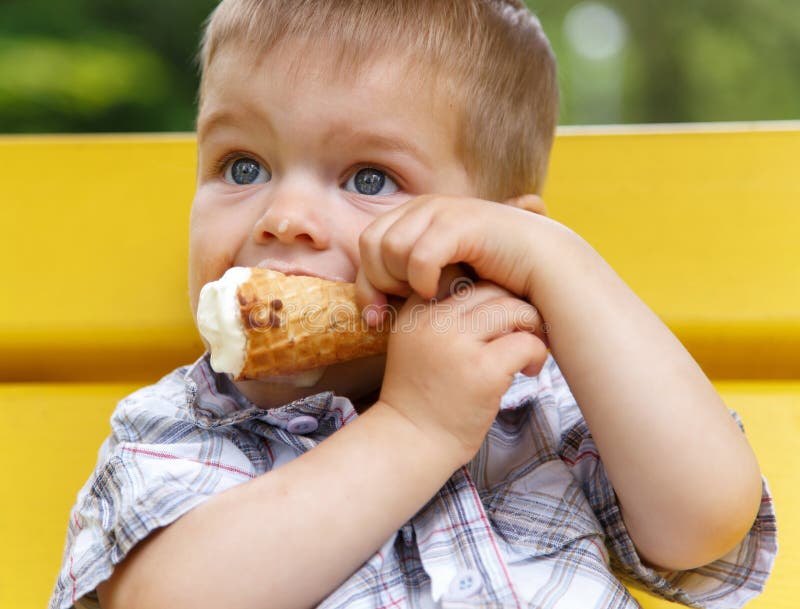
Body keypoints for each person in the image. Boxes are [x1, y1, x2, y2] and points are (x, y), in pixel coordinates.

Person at [49, 1, 777, 608]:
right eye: (244, 166)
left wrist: (559, 265)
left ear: (490, 247)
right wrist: (415, 429)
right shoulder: (179, 429)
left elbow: (705, 520)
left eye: (369, 179)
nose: (284, 215)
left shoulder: (537, 410)